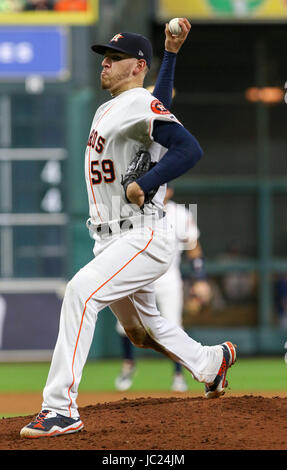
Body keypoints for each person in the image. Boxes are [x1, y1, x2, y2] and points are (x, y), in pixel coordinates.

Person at [20, 18, 237, 439]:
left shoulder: (137, 103)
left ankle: (60, 408)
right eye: (105, 56)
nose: (105, 63)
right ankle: (211, 362)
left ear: (138, 66)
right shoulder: (111, 107)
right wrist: (171, 54)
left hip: (141, 234)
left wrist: (147, 182)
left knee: (80, 294)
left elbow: (189, 148)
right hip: (110, 238)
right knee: (141, 331)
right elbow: (156, 109)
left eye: (116, 58)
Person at [115, 185, 212, 393]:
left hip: (168, 277)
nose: (160, 191)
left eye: (164, 188)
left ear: (170, 192)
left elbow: (194, 247)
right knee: (125, 325)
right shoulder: (133, 211)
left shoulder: (180, 214)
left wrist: (200, 279)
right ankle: (128, 365)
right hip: (138, 277)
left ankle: (178, 374)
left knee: (174, 325)